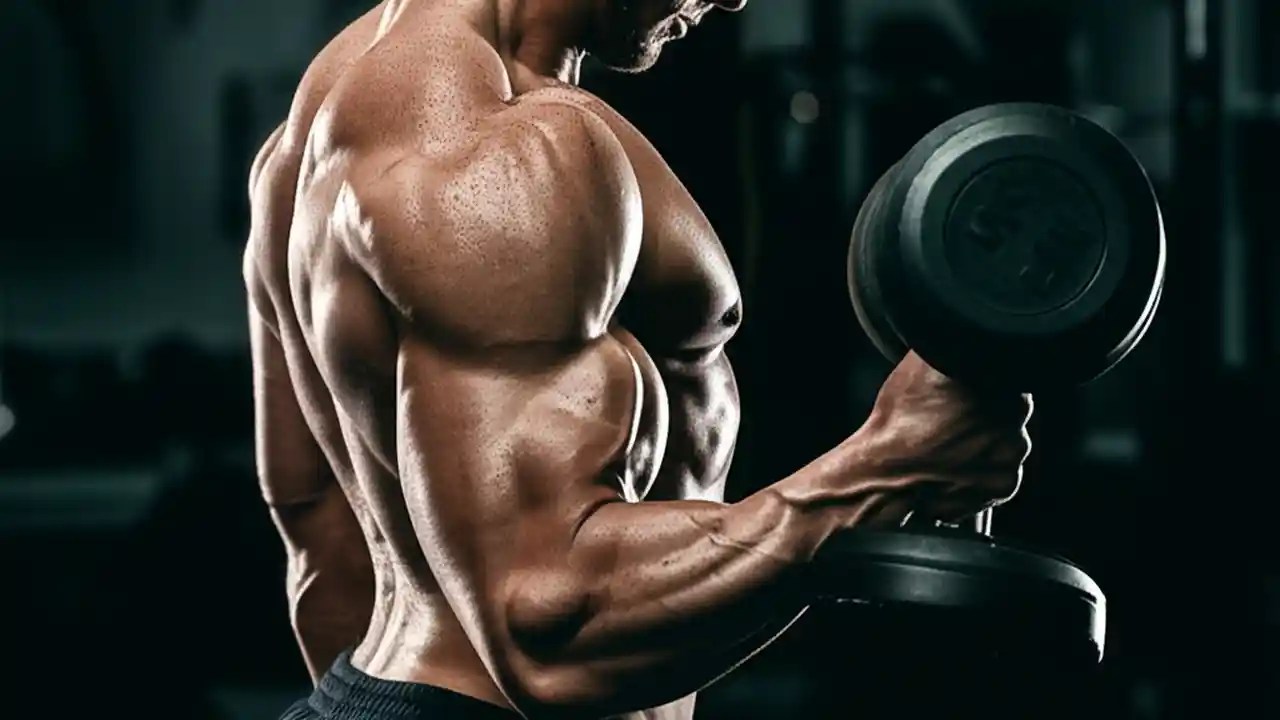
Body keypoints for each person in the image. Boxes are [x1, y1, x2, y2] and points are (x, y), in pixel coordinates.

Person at [243, 1, 1032, 718]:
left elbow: (322, 539)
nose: (731, 1)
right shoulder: (504, 151)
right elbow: (546, 626)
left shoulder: (317, 118)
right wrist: (889, 467)